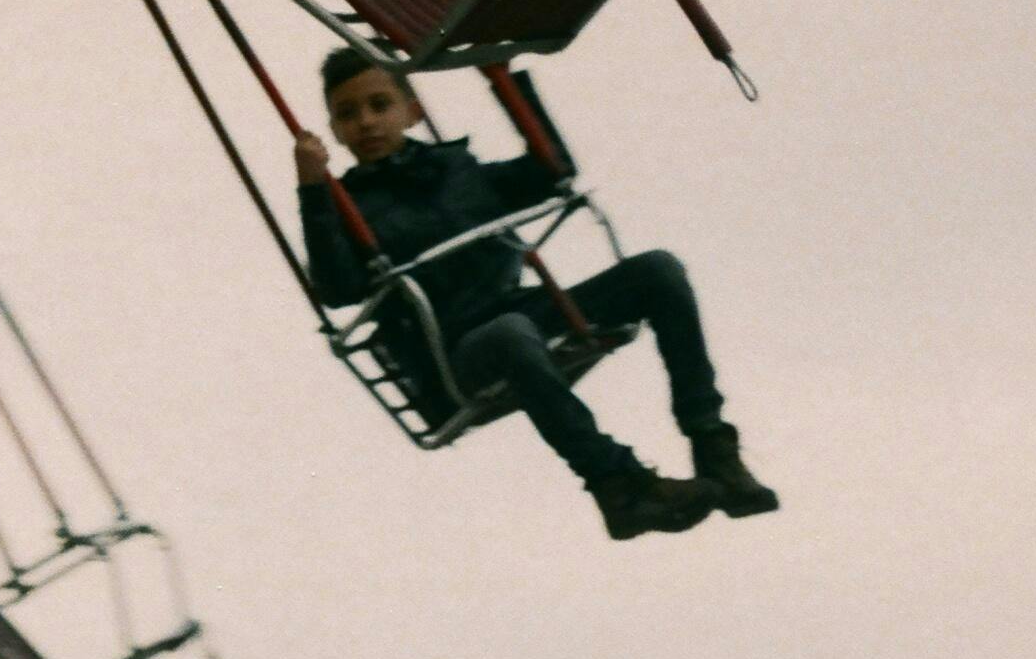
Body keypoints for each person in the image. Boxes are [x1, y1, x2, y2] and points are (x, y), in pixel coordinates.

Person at [295, 49, 777, 540]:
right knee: (511, 333)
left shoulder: (455, 168)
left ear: (412, 110)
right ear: (334, 130)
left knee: (659, 271)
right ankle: (619, 485)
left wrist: (504, 80)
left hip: (520, 312)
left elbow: (551, 174)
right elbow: (337, 290)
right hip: (455, 353)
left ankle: (714, 447)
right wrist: (313, 189)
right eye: (348, 114)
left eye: (380, 105)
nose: (367, 122)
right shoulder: (346, 207)